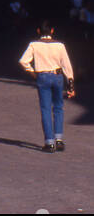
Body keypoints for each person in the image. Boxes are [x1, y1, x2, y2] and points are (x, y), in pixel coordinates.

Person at [19, 22, 76, 153]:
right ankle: (59, 139)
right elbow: (66, 65)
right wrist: (71, 85)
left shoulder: (34, 44)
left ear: (38, 31)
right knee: (58, 108)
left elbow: (23, 61)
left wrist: (32, 72)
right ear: (52, 30)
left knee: (45, 109)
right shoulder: (60, 45)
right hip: (57, 77)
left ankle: (49, 142)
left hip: (42, 77)